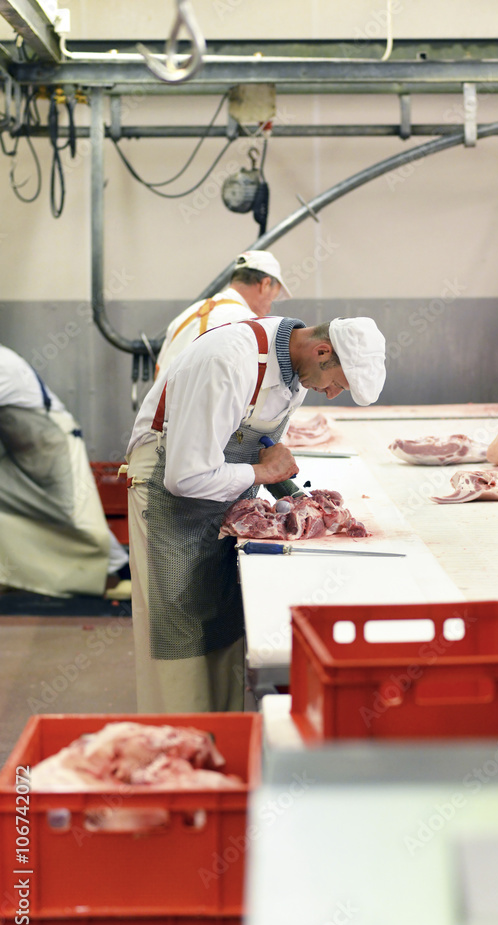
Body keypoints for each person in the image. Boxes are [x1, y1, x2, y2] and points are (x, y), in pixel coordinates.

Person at [126, 315, 386, 713]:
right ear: (322, 351)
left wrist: (294, 494)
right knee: (180, 636)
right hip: (167, 499)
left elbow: (253, 446)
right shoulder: (229, 361)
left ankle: (225, 734)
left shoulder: (294, 373)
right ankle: (182, 741)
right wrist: (264, 472)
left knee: (221, 626)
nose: (332, 395)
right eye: (337, 383)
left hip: (221, 499)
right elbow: (185, 477)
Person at [0, 345, 130, 598]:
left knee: (76, 515)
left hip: (52, 445)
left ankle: (123, 573)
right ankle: (10, 573)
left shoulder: (2, 361)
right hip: (20, 451)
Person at [154, 250, 291, 377]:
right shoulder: (249, 325)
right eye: (272, 298)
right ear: (265, 284)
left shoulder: (186, 316)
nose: (269, 310)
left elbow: (159, 372)